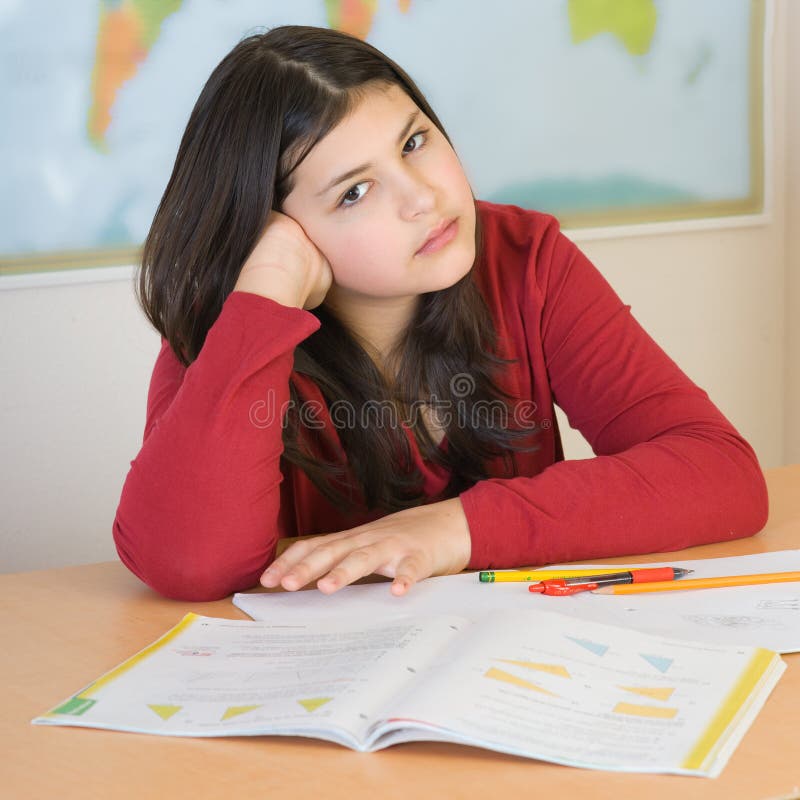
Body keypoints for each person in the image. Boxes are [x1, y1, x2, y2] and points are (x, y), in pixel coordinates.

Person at [113, 25, 768, 603]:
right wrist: (262, 303)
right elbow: (187, 564)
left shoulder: (525, 260)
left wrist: (457, 528)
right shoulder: (237, 326)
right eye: (355, 191)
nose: (423, 197)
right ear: (274, 232)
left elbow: (720, 474)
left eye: (414, 141)